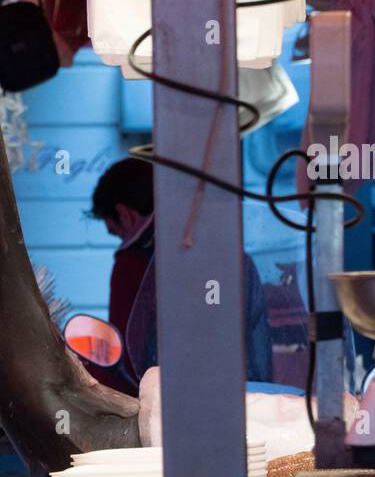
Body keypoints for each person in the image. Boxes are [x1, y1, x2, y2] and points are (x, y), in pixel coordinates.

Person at [87, 157, 273, 395]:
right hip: (248, 407)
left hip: (175, 413)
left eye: (117, 232)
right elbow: (260, 353)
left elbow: (126, 363)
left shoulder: (133, 264)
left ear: (125, 215)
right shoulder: (235, 256)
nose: (121, 241)